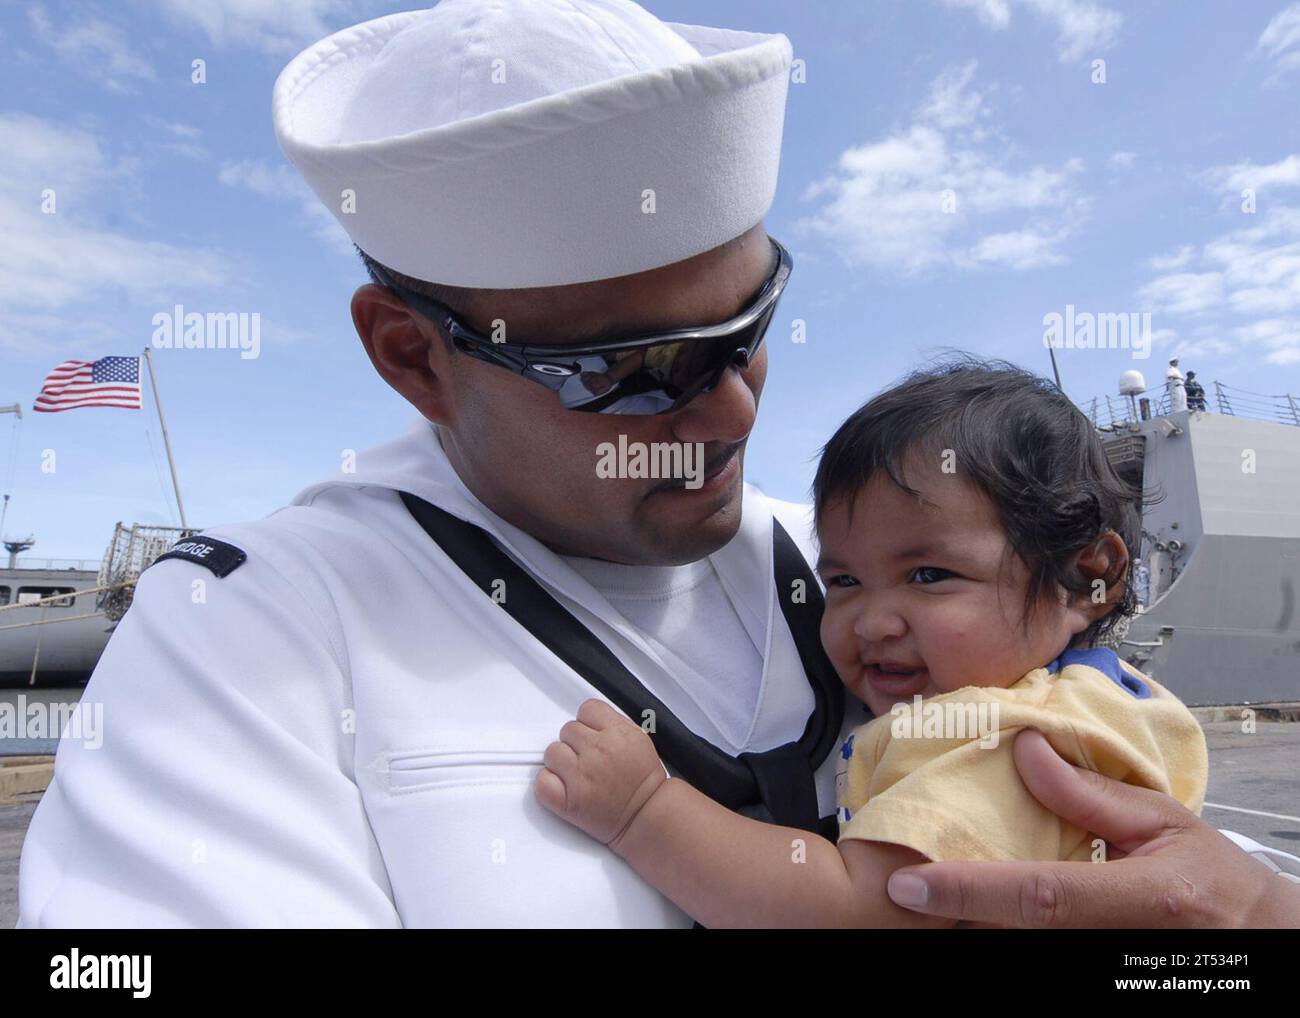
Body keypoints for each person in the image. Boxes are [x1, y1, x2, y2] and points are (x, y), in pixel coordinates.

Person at [17, 0, 1299, 929]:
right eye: (635, 369)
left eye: (751, 334)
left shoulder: (860, 567)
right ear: (412, 357)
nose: (735, 413)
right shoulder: (245, 640)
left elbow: (1155, 862)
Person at [534, 361, 1209, 927]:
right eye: (846, 579)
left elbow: (852, 908)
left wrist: (644, 811)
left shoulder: (1014, 743)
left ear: (1087, 579)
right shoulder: (1100, 697)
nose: (872, 622)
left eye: (930, 575)